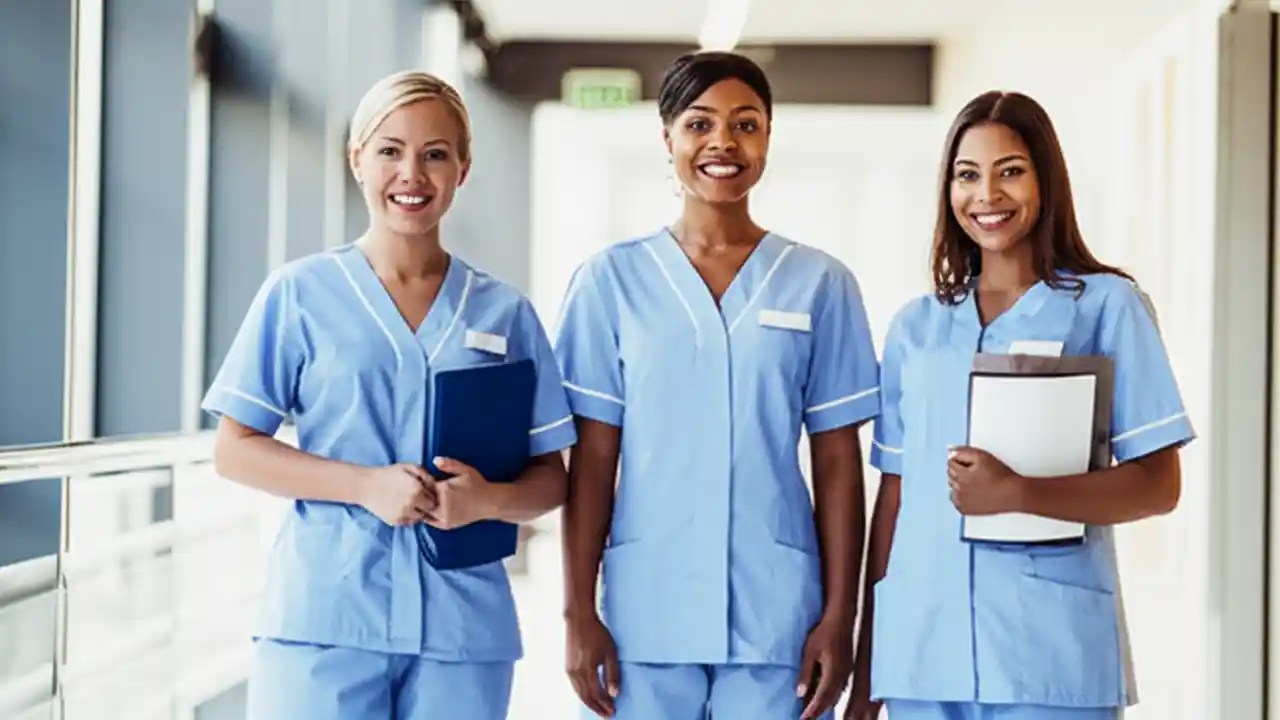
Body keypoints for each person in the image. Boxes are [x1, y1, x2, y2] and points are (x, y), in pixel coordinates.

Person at [202, 70, 576, 719]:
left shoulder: (503, 313)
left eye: (435, 154)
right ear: (357, 160)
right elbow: (235, 450)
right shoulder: (299, 295)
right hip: (325, 620)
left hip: (461, 628)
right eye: (390, 150)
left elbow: (552, 477)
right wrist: (363, 486)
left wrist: (489, 500)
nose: (413, 173)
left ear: (463, 168)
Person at [845, 91, 1195, 720]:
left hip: (1049, 657)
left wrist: (1020, 492)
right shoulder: (915, 329)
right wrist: (870, 669)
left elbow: (1158, 485)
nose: (988, 195)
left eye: (1010, 170)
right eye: (967, 174)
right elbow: (894, 499)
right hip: (921, 658)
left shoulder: (1106, 307)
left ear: (1046, 180)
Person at [555, 51, 881, 720]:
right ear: (667, 137)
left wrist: (839, 618)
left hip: (778, 616)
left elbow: (839, 466)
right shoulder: (609, 283)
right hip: (646, 618)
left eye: (745, 124)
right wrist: (577, 611)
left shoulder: (820, 283)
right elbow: (592, 461)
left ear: (768, 137)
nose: (723, 144)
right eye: (700, 125)